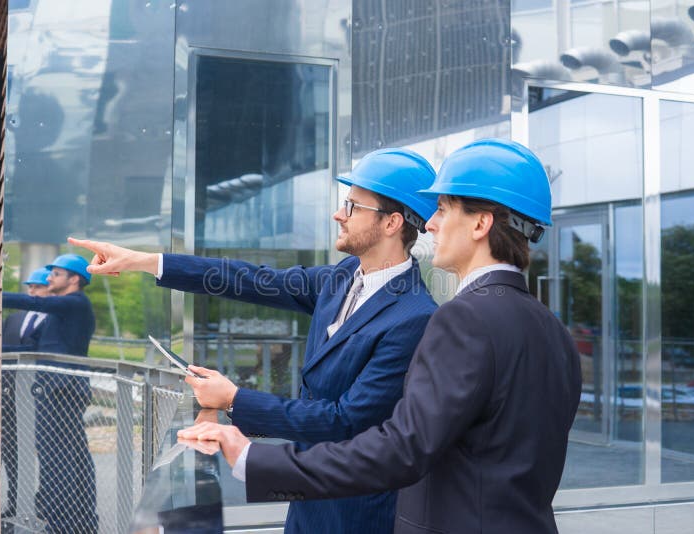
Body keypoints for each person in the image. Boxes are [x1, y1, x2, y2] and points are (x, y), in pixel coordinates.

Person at [180, 139, 583, 533]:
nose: (430, 224)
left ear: (481, 224)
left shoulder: (461, 320)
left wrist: (252, 458)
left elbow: (402, 449)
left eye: (443, 209)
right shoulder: (554, 332)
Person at [70, 148, 440, 533]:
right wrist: (143, 261)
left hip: (355, 514)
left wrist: (234, 398)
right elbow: (249, 279)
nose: (338, 214)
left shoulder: (414, 317)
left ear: (392, 222)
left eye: (352, 206)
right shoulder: (344, 276)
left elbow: (344, 421)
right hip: (306, 499)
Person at [3, 254, 99, 533]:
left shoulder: (75, 303)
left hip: (61, 390)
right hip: (55, 390)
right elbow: (34, 350)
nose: (49, 279)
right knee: (70, 458)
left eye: (56, 274)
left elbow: (35, 302)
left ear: (74, 279)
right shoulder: (61, 313)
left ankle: (62, 524)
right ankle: (79, 521)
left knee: (58, 460)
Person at [1, 267, 51, 526]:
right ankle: (16, 501)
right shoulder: (14, 318)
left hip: (41, 399)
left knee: (46, 454)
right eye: (30, 286)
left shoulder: (55, 320)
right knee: (11, 451)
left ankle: (43, 505)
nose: (32, 291)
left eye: (38, 287)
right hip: (10, 398)